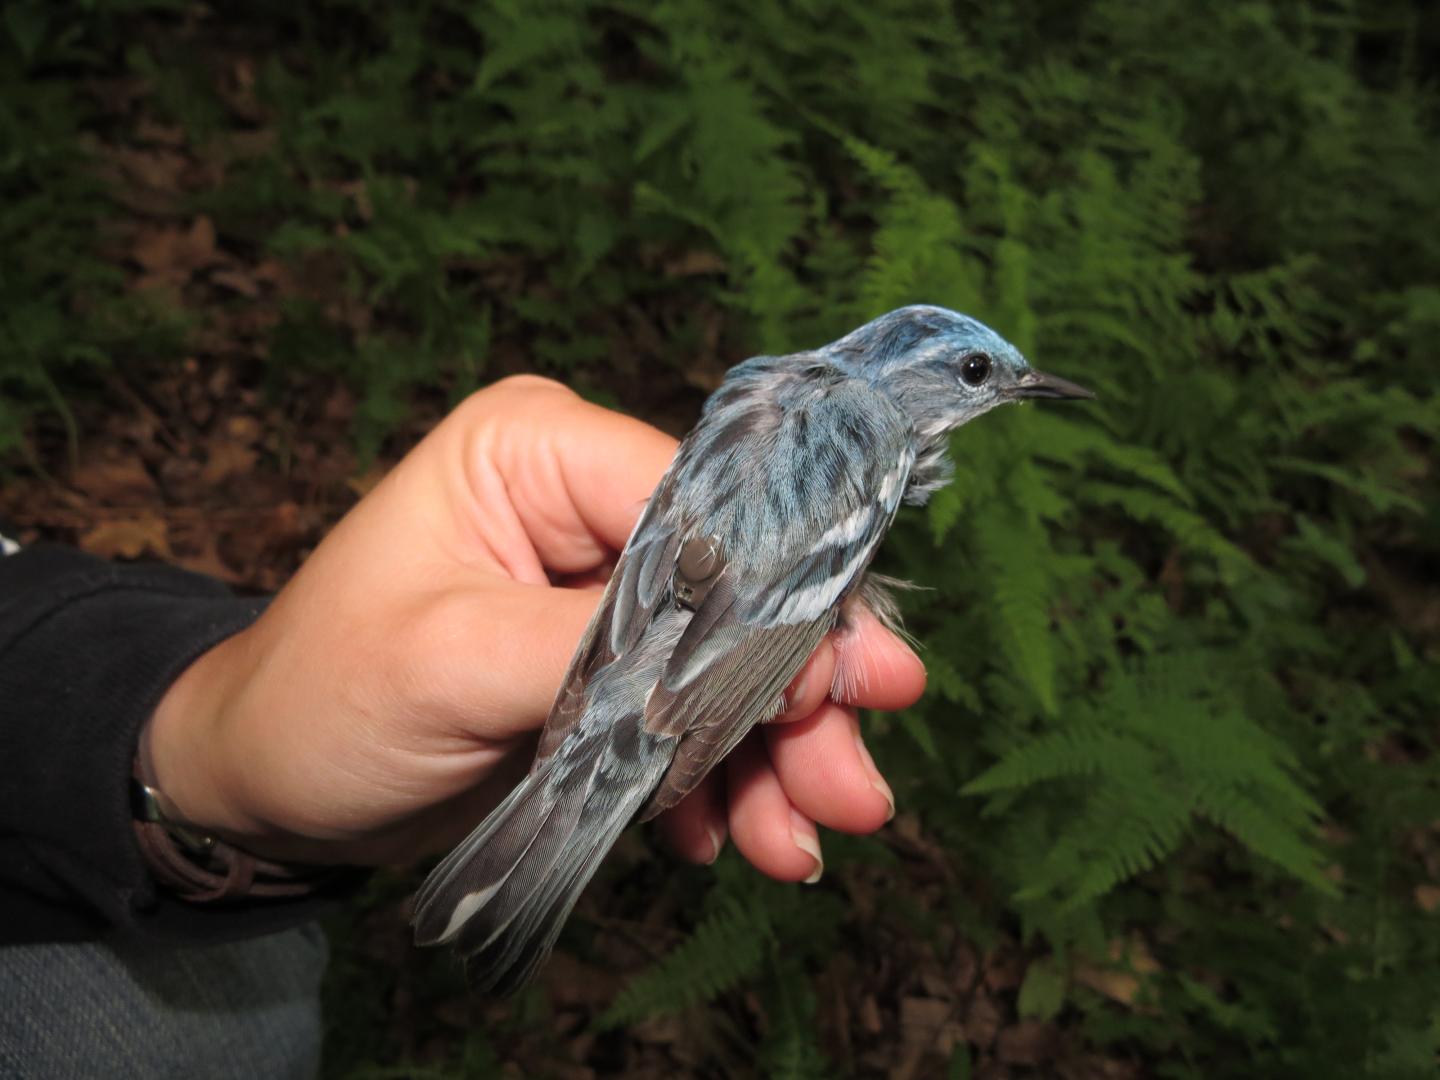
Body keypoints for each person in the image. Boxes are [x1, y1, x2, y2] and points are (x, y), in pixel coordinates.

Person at [0, 375, 925, 1077]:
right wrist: (691, 684)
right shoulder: (872, 445)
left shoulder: (769, 394)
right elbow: (773, 611)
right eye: (975, 375)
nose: (991, 392)